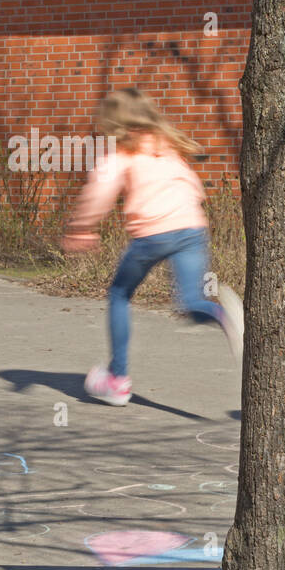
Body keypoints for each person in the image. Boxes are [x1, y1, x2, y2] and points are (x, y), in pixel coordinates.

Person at [62, 88, 243, 406]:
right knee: (190, 303)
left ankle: (117, 380)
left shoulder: (121, 152)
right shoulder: (167, 143)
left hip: (153, 234)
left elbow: (99, 192)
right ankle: (221, 313)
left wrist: (82, 227)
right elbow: (191, 185)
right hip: (192, 228)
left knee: (119, 294)